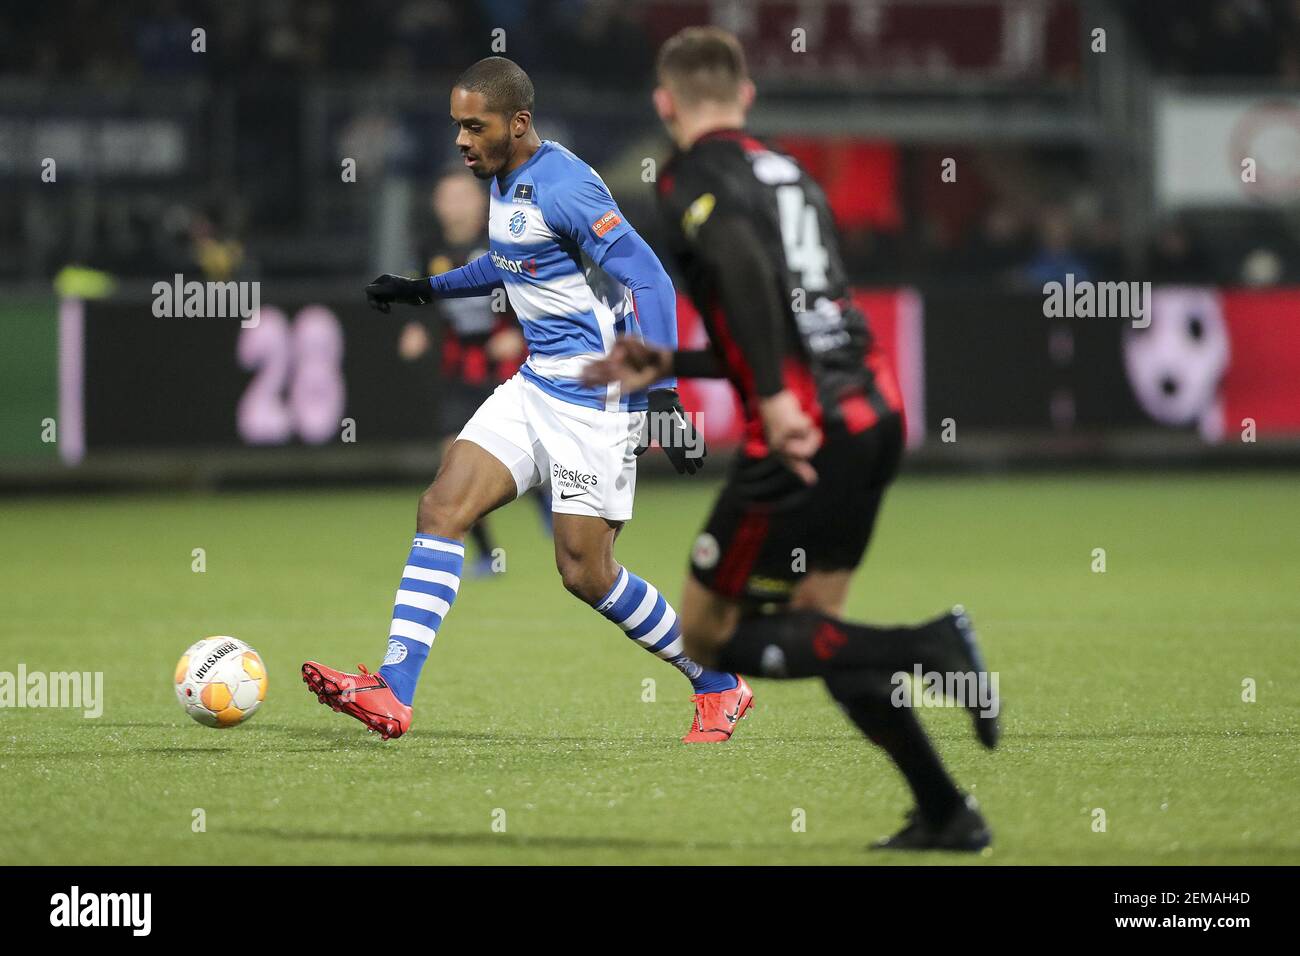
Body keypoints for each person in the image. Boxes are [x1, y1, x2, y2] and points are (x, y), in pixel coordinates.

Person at [583, 27, 999, 850]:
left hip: (803, 428)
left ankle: (930, 643)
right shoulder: (792, 175)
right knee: (817, 629)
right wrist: (676, 359)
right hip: (871, 411)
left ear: (665, 104)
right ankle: (948, 813)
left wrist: (771, 401)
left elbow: (740, 272)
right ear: (748, 97)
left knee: (709, 632)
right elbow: (802, 312)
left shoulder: (690, 176)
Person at [301, 56, 734, 746]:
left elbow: (650, 278)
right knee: (443, 507)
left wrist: (663, 396)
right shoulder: (502, 178)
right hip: (536, 386)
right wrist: (427, 289)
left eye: (475, 126)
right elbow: (508, 262)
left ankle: (717, 682)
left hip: (596, 400)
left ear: (519, 123)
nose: (461, 140)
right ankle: (392, 690)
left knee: (585, 573)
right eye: (457, 126)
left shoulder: (565, 186)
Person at [397, 168, 550, 574]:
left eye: (463, 196)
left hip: (504, 368)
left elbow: (535, 291)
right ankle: (486, 554)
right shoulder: (428, 248)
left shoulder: (501, 240)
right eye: (447, 197)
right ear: (437, 205)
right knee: (453, 460)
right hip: (458, 372)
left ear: (480, 202)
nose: (456, 205)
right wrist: (414, 328)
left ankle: (544, 497)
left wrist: (520, 334)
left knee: (524, 450)